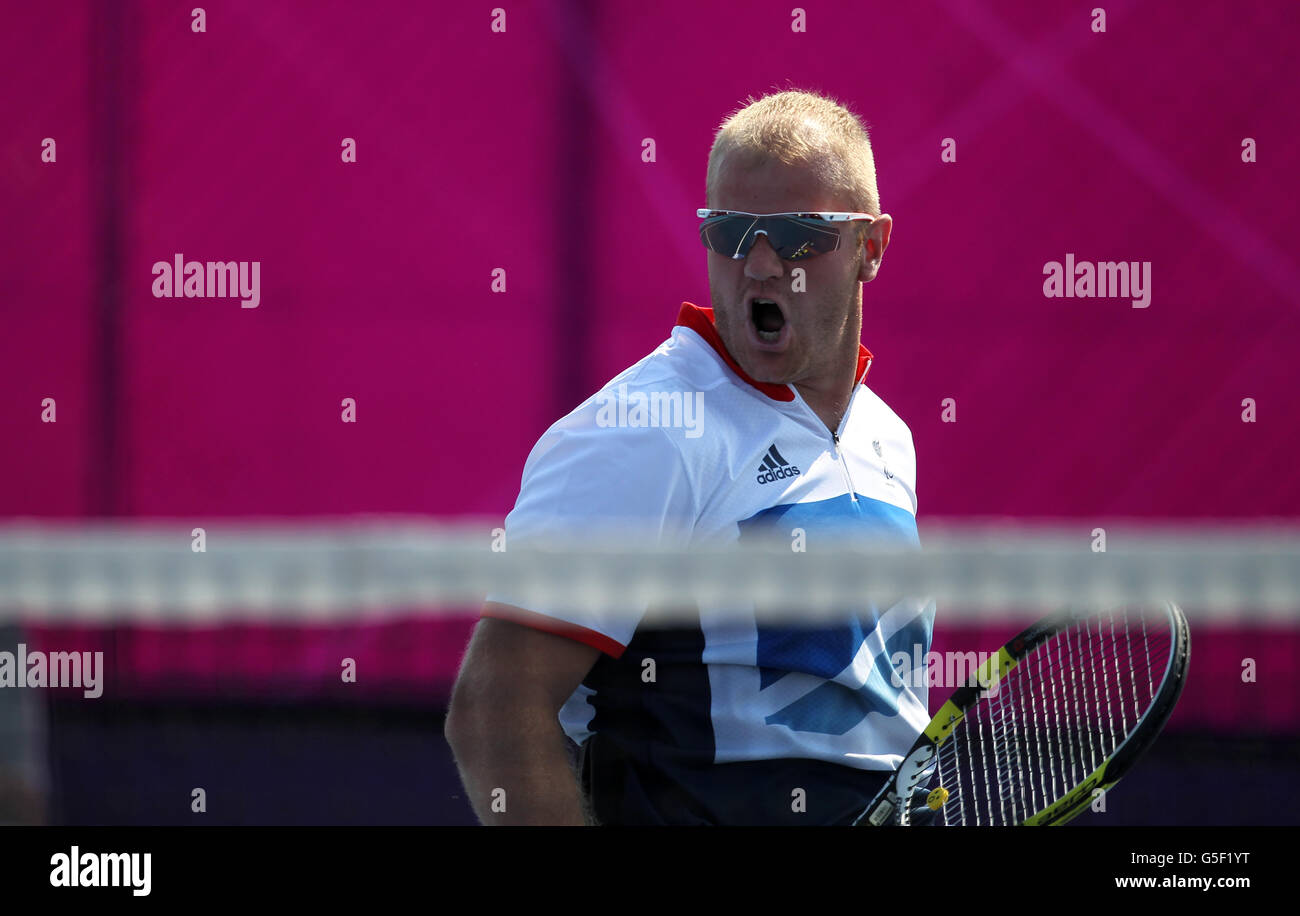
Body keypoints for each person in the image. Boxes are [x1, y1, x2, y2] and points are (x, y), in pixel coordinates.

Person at [445, 88, 934, 825]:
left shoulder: (887, 438)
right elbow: (493, 711)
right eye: (733, 233)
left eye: (800, 235)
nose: (762, 264)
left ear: (870, 248)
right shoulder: (641, 430)